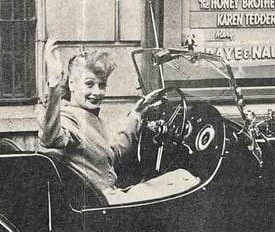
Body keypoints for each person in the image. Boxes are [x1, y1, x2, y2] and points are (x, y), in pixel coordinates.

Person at [37, 39, 200, 205]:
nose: (97, 92)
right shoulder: (68, 117)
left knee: (182, 177)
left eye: (102, 85)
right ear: (72, 84)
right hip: (104, 203)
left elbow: (112, 153)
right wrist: (54, 84)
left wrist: (136, 115)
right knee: (187, 181)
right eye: (89, 84)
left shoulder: (87, 116)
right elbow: (50, 138)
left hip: (107, 199)